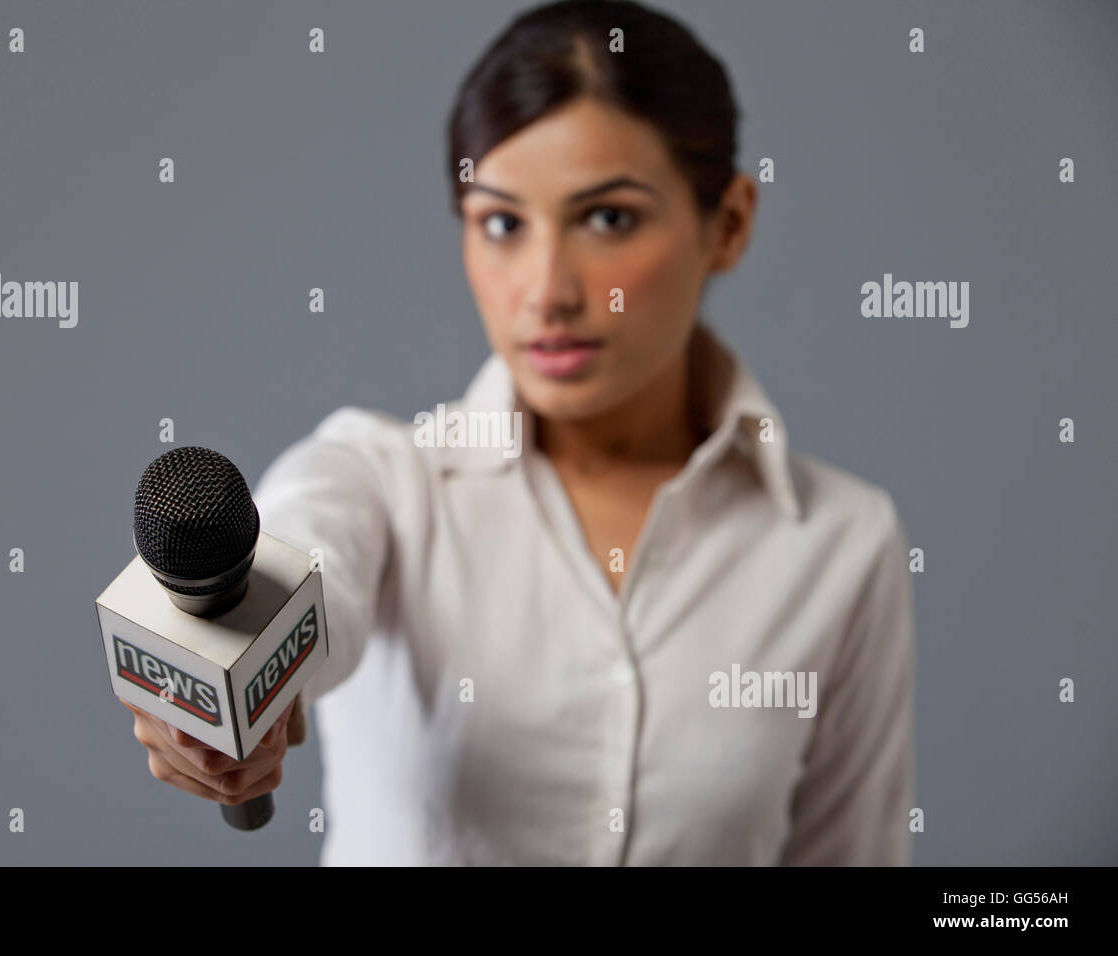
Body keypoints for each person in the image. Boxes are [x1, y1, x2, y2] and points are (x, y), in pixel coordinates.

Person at [125, 0, 916, 865]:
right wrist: (238, 685)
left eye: (608, 218)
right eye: (502, 222)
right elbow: (309, 568)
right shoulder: (379, 481)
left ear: (726, 224)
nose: (546, 290)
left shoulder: (843, 545)